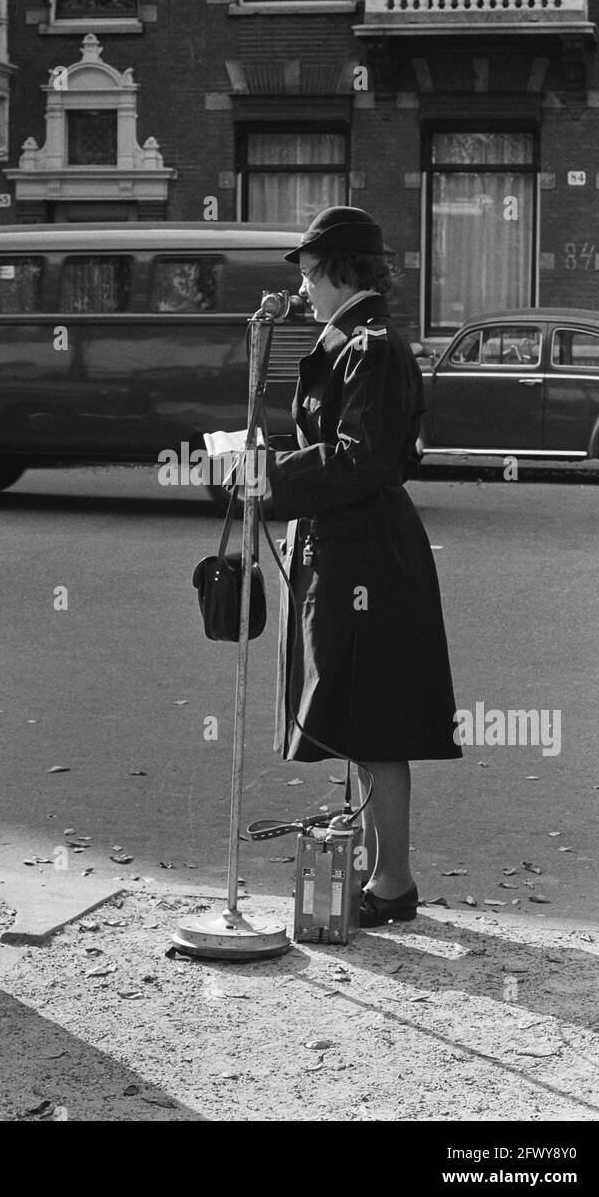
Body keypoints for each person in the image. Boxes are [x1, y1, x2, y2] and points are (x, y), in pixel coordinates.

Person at [262, 206, 461, 928]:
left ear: (343, 270)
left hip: (364, 555)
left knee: (374, 717)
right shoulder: (349, 340)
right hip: (345, 546)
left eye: (312, 274)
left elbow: (364, 457)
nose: (305, 289)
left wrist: (271, 476)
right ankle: (383, 878)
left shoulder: (368, 347)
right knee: (358, 713)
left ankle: (392, 882)